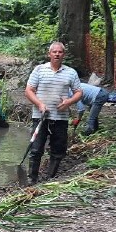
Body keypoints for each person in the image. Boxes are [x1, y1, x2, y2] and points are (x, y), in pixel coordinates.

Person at [24, 42, 83, 184]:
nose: (57, 54)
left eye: (60, 52)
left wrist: (68, 102)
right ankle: (32, 179)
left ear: (64, 55)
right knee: (36, 149)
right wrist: (39, 104)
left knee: (58, 149)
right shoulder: (39, 70)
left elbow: (79, 92)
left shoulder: (71, 72)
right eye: (54, 52)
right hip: (40, 117)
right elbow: (28, 90)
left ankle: (50, 178)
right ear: (49, 54)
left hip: (61, 118)